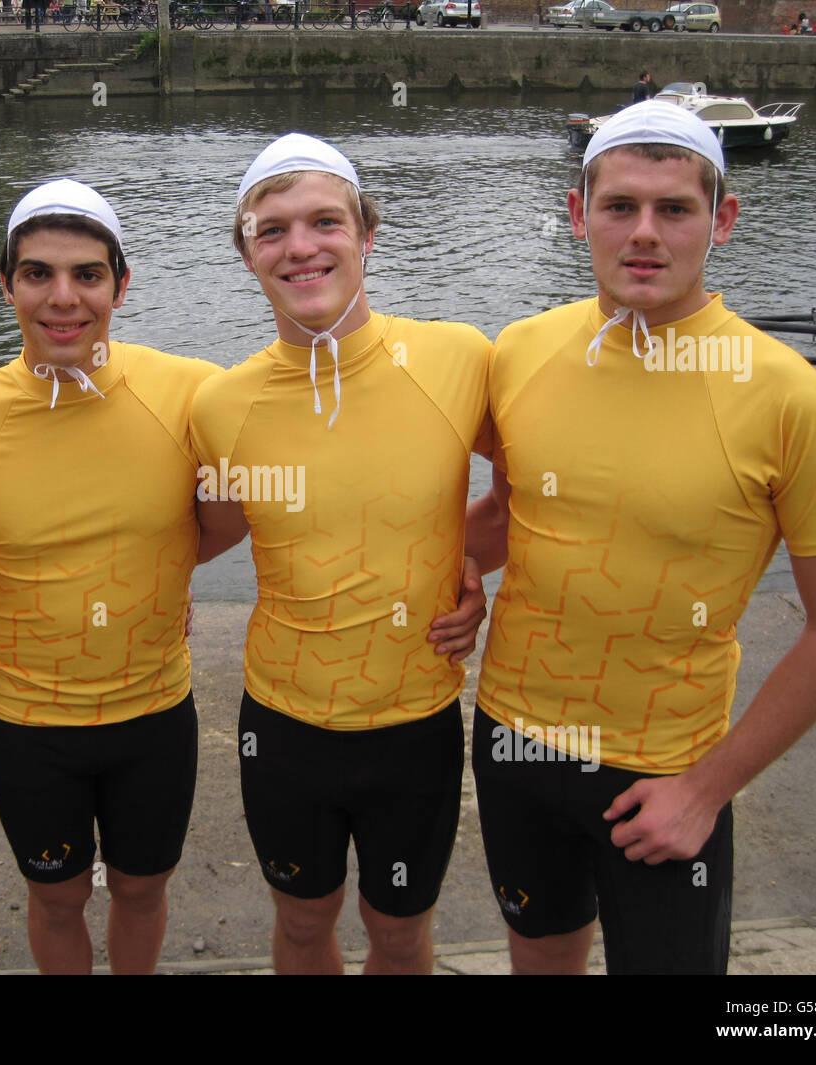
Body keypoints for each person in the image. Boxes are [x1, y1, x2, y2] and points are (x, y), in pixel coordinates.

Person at [449, 102, 816, 974]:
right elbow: (508, 513)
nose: (644, 234)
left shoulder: (792, 400)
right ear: (580, 215)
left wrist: (707, 788)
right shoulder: (520, 352)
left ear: (720, 219)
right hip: (513, 742)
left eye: (674, 209)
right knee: (538, 952)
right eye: (620, 207)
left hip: (666, 769)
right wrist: (453, 568)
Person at [190, 134, 492, 974]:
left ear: (367, 234)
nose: (300, 246)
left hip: (415, 719)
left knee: (399, 932)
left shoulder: (457, 359)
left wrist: (467, 564)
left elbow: (531, 494)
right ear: (246, 251)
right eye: (271, 228)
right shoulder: (222, 404)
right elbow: (208, 530)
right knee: (300, 925)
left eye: (325, 220)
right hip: (283, 724)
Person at [0, 181, 220, 974]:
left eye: (88, 274)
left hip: (153, 711)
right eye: (37, 274)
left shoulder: (189, 395)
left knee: (140, 888)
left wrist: (163, 569)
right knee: (57, 897)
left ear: (122, 285)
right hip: (26, 722)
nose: (64, 298)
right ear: (6, 284)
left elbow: (243, 510)